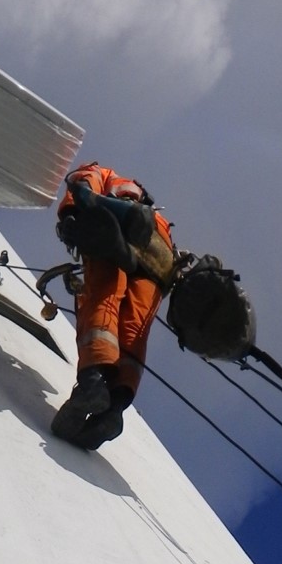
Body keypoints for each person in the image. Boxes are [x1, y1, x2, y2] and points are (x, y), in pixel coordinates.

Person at [50, 161, 175, 450]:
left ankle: (93, 383)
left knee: (103, 299)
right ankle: (114, 409)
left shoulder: (105, 174)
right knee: (134, 332)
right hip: (160, 261)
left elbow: (84, 181)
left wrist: (70, 214)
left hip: (116, 232)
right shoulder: (161, 220)